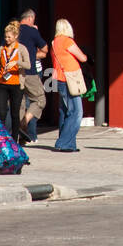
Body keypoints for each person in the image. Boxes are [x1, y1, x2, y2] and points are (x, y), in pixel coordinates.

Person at [51, 19, 88, 152]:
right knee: (77, 112)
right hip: (69, 79)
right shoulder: (67, 41)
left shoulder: (54, 42)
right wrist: (85, 55)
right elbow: (82, 57)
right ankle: (63, 143)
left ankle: (70, 144)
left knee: (65, 111)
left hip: (60, 79)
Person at [15, 9, 48, 145]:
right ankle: (25, 121)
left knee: (20, 104)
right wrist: (34, 53)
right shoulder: (32, 31)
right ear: (30, 18)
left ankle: (21, 137)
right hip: (30, 72)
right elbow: (45, 49)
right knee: (40, 99)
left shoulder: (13, 30)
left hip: (14, 73)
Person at [0, 20, 28, 143]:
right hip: (2, 83)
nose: (7, 39)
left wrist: (17, 62)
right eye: (5, 37)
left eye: (9, 37)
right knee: (1, 112)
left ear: (15, 36)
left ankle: (14, 139)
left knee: (15, 113)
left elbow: (28, 65)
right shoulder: (1, 49)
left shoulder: (21, 49)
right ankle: (1, 139)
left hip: (16, 83)